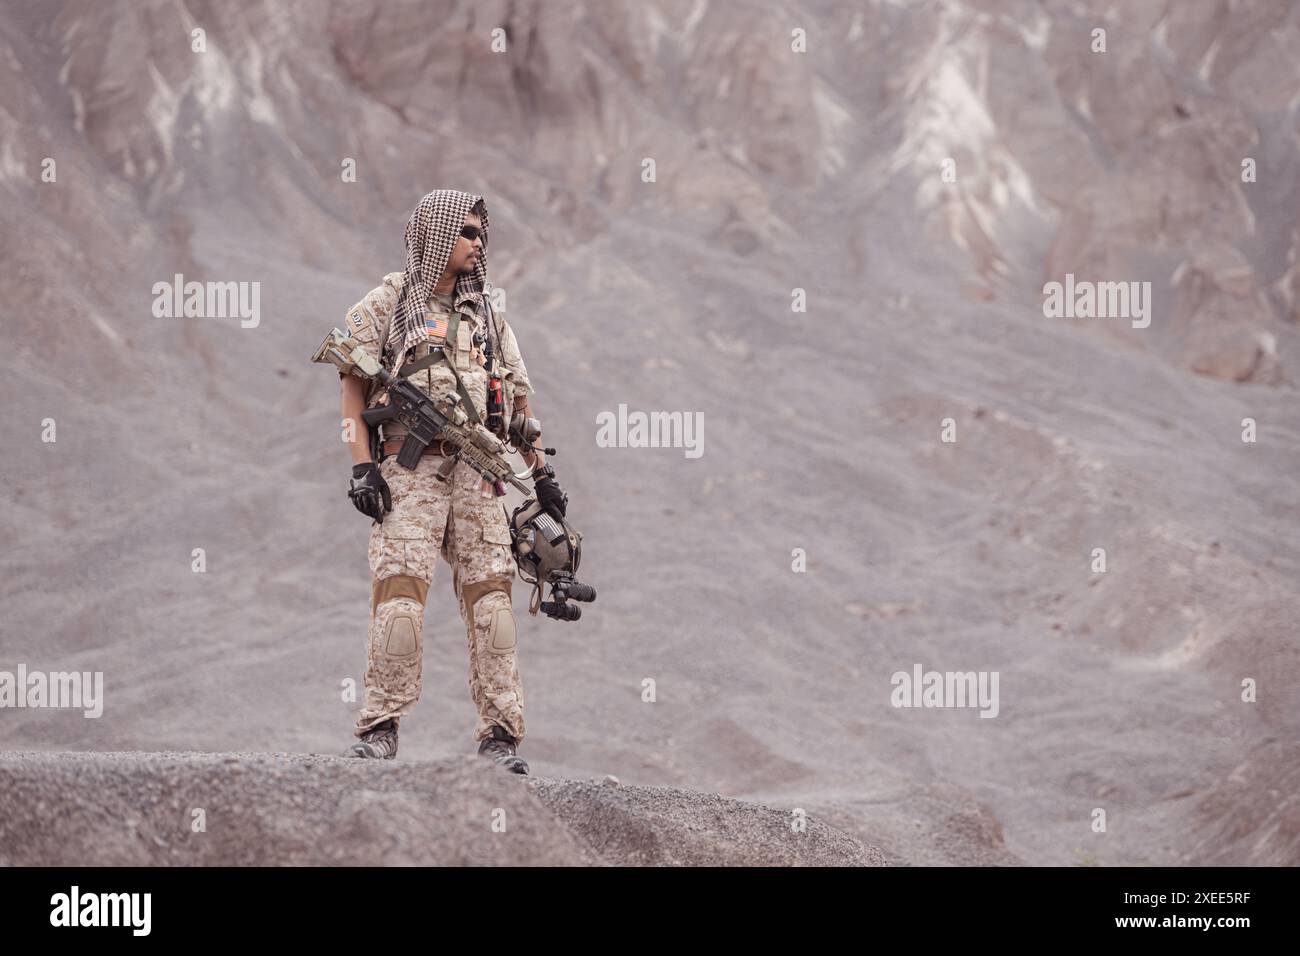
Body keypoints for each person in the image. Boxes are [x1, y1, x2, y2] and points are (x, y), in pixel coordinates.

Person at [334, 189, 568, 774]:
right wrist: (362, 466)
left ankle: (500, 736)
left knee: (494, 605)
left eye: (482, 234)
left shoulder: (488, 315)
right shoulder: (392, 299)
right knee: (400, 599)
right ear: (437, 234)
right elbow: (351, 382)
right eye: (466, 232)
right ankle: (381, 726)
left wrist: (541, 477)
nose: (478, 242)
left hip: (478, 475)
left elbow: (518, 405)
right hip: (408, 473)